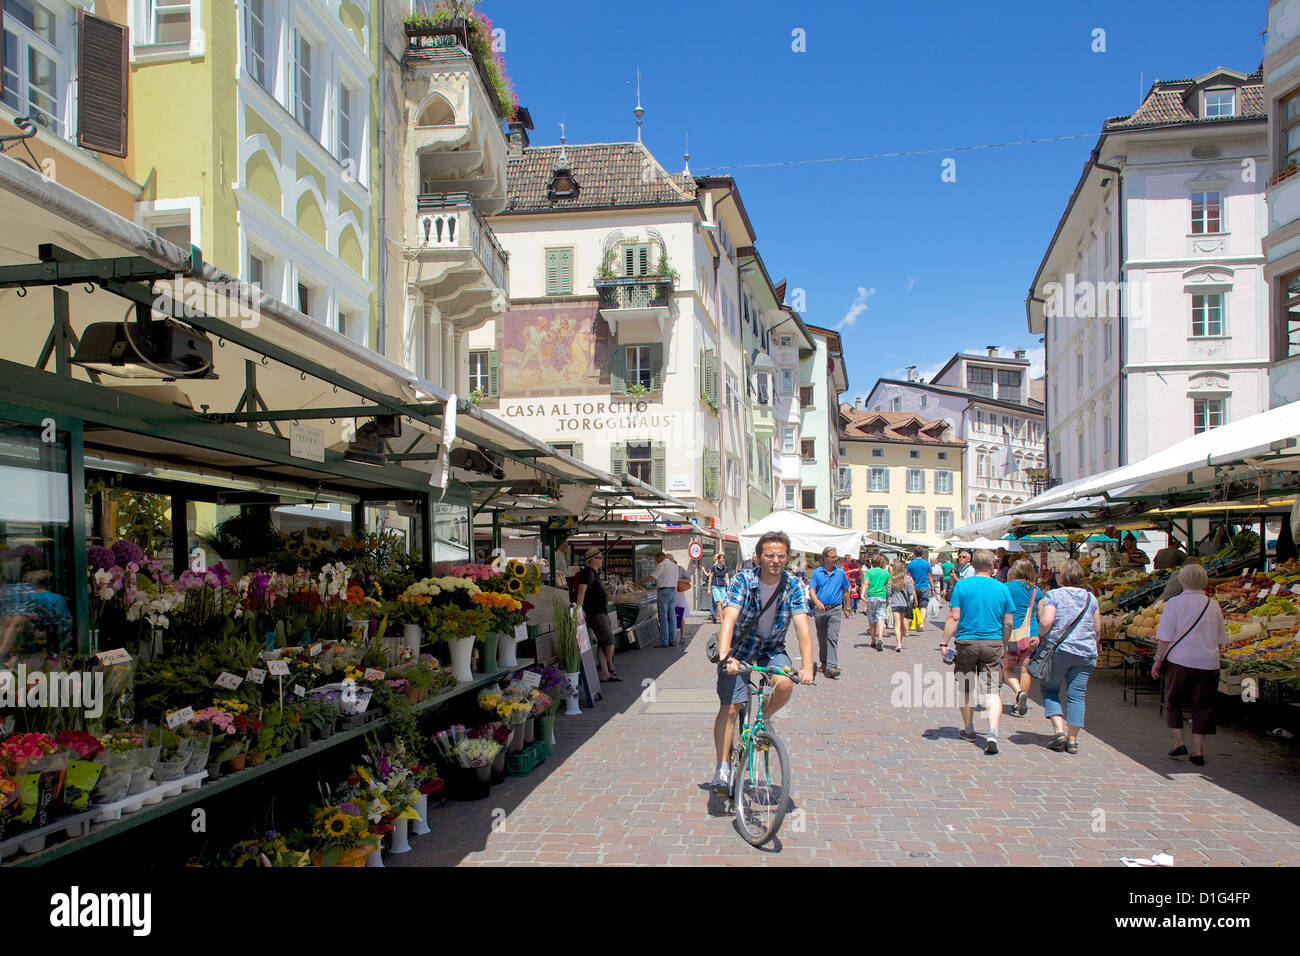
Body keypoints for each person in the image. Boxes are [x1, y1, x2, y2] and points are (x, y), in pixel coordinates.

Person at [711, 530, 814, 795]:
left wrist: (808, 666)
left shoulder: (793, 585)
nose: (775, 560)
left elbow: (802, 627)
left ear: (787, 558)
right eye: (770, 555)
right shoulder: (743, 580)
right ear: (759, 557)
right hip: (739, 649)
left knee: (784, 684)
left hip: (772, 647)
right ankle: (722, 767)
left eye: (781, 556)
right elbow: (728, 619)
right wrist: (725, 658)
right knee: (731, 708)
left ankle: (764, 719)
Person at [1151, 562, 1228, 767]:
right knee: (1203, 706)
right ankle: (1198, 750)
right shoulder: (1213, 605)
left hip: (1180, 661)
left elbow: (1164, 637)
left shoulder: (1174, 603)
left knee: (1173, 701)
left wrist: (1157, 661)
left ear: (1182, 580)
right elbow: (1221, 639)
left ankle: (1179, 742)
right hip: (1209, 663)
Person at [940, 550, 1015, 755]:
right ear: (992, 566)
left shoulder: (962, 585)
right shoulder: (1002, 588)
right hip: (992, 643)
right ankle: (992, 732)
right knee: (992, 690)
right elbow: (1008, 621)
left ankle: (969, 728)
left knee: (966, 687)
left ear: (974, 564)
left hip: (967, 642)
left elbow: (954, 617)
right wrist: (1003, 643)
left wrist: (944, 643)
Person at [1035, 559, 1101, 755]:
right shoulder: (1091, 598)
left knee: (1049, 689)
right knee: (1077, 695)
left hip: (1059, 650)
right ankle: (1073, 740)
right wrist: (1093, 646)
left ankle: (1059, 731)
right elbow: (1097, 628)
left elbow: (1046, 622)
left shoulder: (1054, 595)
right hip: (1085, 652)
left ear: (1062, 576)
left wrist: (1039, 634)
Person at [1003, 558, 1043, 718]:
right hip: (1031, 635)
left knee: (1007, 669)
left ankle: (1019, 694)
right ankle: (1020, 702)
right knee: (1025, 670)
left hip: (1012, 634)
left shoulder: (1006, 587)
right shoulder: (1036, 591)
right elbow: (1041, 614)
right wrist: (1041, 634)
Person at [573, 549, 619, 682]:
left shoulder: (593, 573)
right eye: (599, 558)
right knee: (609, 642)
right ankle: (610, 665)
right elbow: (582, 590)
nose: (602, 560)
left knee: (602, 643)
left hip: (600, 611)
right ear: (592, 559)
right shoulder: (587, 572)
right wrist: (579, 609)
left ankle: (605, 673)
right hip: (596, 613)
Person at [808, 547, 850, 679]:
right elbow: (812, 590)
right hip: (820, 610)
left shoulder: (840, 573)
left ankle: (831, 666)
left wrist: (847, 607)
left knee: (832, 636)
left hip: (835, 609)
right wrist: (817, 602)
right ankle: (824, 662)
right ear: (825, 558)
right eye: (833, 557)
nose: (835, 559)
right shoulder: (817, 573)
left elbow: (845, 590)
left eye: (836, 557)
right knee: (822, 638)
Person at [637, 552, 680, 647]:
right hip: (673, 591)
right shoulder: (674, 565)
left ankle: (664, 642)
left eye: (657, 560)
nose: (656, 562)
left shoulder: (662, 565)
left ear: (660, 557)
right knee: (672, 617)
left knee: (663, 617)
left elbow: (652, 577)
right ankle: (673, 640)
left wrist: (639, 582)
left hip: (664, 591)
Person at [887, 559, 915, 652]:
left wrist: (890, 598)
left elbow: (888, 593)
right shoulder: (907, 579)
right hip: (904, 604)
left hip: (895, 603)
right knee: (902, 624)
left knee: (897, 624)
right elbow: (911, 593)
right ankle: (900, 643)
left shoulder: (891, 579)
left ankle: (898, 643)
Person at [864, 553, 891, 651]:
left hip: (871, 597)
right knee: (881, 618)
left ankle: (872, 640)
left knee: (872, 619)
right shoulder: (885, 573)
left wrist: (862, 594)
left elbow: (866, 583)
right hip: (882, 597)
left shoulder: (869, 572)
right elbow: (888, 586)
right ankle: (880, 638)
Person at [906, 547, 932, 633]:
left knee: (913, 605)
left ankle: (914, 622)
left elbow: (908, 576)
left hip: (913, 587)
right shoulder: (927, 563)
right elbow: (929, 576)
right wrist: (932, 586)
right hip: (924, 586)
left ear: (914, 553)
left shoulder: (910, 564)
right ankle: (921, 624)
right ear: (922, 553)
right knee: (923, 605)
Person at [708, 553, 730, 624]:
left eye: (723, 558)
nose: (722, 559)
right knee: (719, 602)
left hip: (722, 586)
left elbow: (727, 578)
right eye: (721, 558)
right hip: (715, 586)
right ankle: (722, 619)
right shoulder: (714, 567)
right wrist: (709, 588)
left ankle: (714, 615)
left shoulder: (725, 568)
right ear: (718, 559)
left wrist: (729, 587)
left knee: (722, 603)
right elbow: (710, 577)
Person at [674, 559, 690, 641]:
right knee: (673, 615)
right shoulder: (667, 571)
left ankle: (682, 636)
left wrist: (679, 580)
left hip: (679, 594)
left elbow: (688, 579)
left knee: (680, 614)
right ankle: (674, 635)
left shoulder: (680, 569)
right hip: (671, 595)